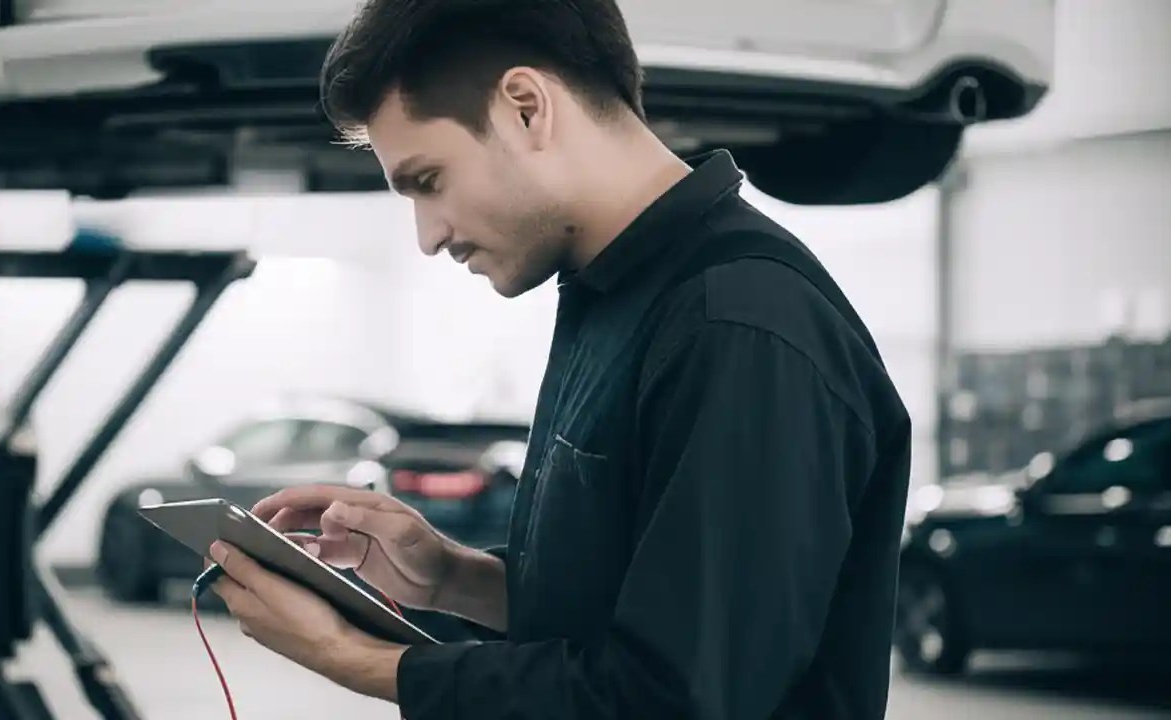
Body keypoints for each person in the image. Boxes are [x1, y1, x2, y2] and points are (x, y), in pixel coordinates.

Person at [207, 1, 912, 718]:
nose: (427, 235)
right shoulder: (615, 294)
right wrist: (451, 577)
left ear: (525, 108)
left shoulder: (739, 325)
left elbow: (675, 700)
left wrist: (354, 658)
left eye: (428, 181)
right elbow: (634, 608)